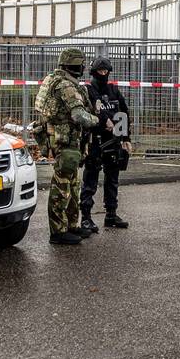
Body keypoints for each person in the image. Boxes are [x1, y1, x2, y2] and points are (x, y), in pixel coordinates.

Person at [33, 46, 100, 246]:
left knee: (73, 186)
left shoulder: (57, 80)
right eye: (82, 64)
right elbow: (79, 116)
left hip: (69, 142)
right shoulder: (66, 86)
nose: (84, 68)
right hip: (66, 142)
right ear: (75, 65)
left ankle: (72, 226)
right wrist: (98, 120)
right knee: (61, 186)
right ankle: (58, 232)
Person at [80, 57, 131, 232]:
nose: (103, 74)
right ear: (93, 72)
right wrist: (105, 120)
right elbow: (94, 110)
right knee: (90, 180)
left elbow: (124, 113)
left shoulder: (113, 90)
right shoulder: (87, 90)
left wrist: (126, 139)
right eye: (100, 71)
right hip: (95, 142)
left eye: (106, 71)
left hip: (114, 142)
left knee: (113, 180)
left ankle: (111, 214)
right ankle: (86, 218)